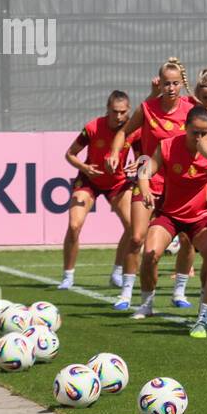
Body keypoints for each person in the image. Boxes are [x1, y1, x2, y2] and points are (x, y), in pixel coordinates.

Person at [105, 58, 198, 310]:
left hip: (181, 183)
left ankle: (179, 291)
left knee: (188, 240)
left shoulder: (191, 107)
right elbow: (124, 132)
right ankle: (126, 293)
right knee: (136, 237)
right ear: (160, 83)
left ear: (181, 84)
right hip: (148, 178)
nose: (170, 88)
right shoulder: (147, 108)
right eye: (166, 83)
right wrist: (115, 153)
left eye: (175, 83)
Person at [131, 106, 207, 335]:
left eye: (205, 133)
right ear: (185, 127)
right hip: (170, 214)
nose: (200, 138)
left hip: (201, 217)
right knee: (150, 253)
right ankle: (146, 304)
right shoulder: (167, 146)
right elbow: (145, 171)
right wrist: (145, 190)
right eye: (195, 132)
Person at [59, 90, 137, 290]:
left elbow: (143, 157)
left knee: (133, 227)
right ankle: (68, 276)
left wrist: (136, 165)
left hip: (118, 182)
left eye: (122, 112)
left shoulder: (133, 130)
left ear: (128, 110)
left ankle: (117, 273)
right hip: (89, 180)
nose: (118, 116)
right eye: (114, 111)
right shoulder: (93, 127)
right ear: (107, 109)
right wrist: (85, 168)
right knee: (74, 225)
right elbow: (70, 154)